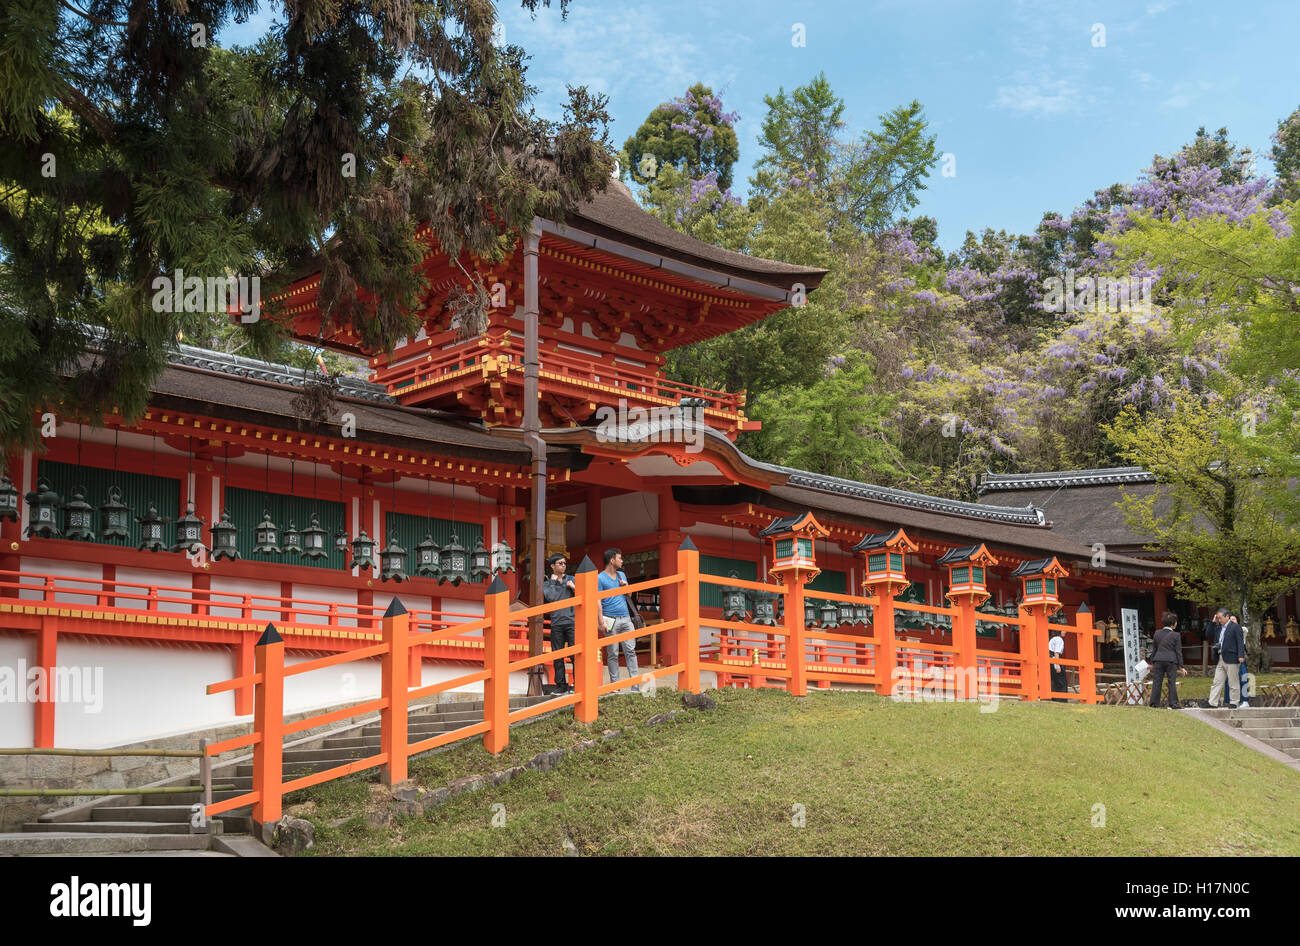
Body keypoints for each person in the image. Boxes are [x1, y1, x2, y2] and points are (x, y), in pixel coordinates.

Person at [597, 548, 640, 691]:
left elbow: (629, 594)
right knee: (613, 652)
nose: (622, 561)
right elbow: (597, 600)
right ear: (612, 560)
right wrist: (601, 621)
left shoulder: (621, 575)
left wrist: (625, 586)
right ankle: (615, 685)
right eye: (620, 558)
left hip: (626, 617)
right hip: (610, 619)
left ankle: (635, 684)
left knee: (630, 650)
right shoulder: (600, 578)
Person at [541, 553, 576, 693]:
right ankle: (561, 686)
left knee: (575, 655)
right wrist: (554, 582)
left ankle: (577, 684)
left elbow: (584, 596)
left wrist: (573, 587)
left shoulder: (572, 579)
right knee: (558, 656)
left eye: (564, 563)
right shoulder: (548, 583)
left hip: (572, 622)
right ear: (552, 566)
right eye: (560, 563)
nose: (563, 566)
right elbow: (551, 598)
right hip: (557, 623)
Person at [1207, 608, 1246, 709]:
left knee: (1233, 681)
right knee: (1217, 681)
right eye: (1218, 618)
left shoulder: (1235, 627)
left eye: (1220, 618)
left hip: (1232, 657)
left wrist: (1241, 655)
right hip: (1220, 657)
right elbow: (1208, 634)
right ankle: (1212, 702)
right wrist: (1213, 621)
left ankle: (1234, 702)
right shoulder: (1218, 628)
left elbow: (1240, 642)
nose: (1219, 620)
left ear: (1227, 616)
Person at [1148, 610, 1188, 708]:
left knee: (1157, 681)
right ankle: (1173, 703)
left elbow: (1154, 649)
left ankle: (1154, 703)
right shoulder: (1176, 635)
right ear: (1173, 624)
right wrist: (1181, 666)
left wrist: (1152, 662)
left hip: (1158, 660)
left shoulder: (1157, 633)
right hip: (1171, 660)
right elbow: (1178, 652)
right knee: (1171, 682)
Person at [1047, 631, 1068, 701]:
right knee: (1061, 682)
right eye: (1063, 630)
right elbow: (1056, 653)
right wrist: (1057, 665)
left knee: (1054, 681)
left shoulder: (1053, 638)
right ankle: (1060, 699)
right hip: (1055, 660)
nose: (1065, 632)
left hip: (1050, 661)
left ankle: (1055, 698)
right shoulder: (1059, 639)